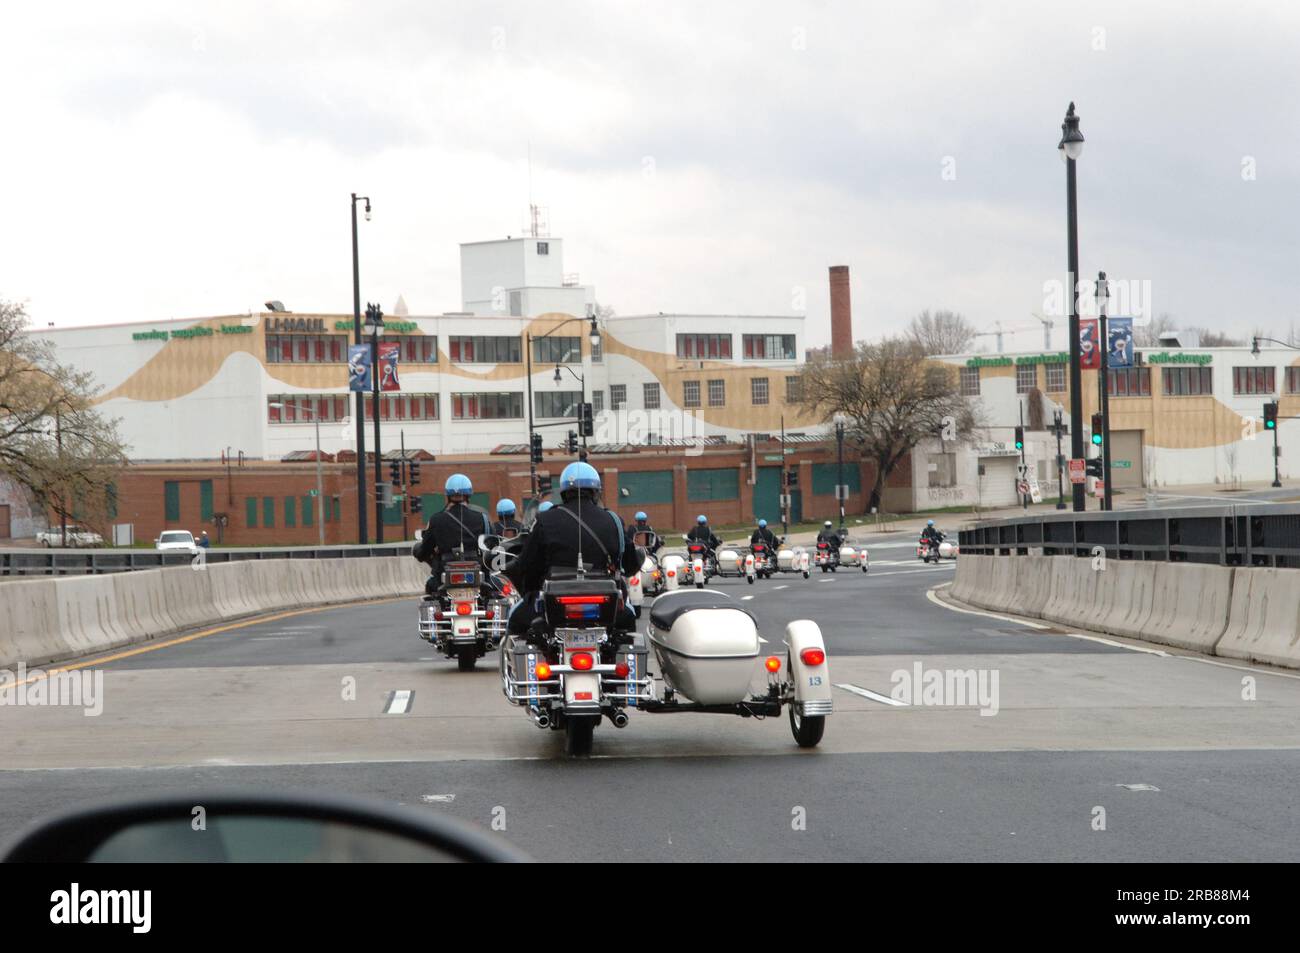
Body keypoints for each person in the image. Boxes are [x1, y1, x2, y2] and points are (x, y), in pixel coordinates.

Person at [506, 462, 640, 636]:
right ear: (595, 492)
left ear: (563, 492)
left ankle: (523, 663)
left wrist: (529, 589)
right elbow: (630, 565)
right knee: (627, 623)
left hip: (554, 601)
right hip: (605, 603)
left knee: (515, 622)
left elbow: (528, 564)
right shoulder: (613, 521)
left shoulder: (545, 520)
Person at [413, 473, 492, 597]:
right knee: (492, 592)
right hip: (477, 572)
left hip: (444, 572)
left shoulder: (436, 520)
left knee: (431, 590)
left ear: (448, 495)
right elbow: (491, 546)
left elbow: (425, 549)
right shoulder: (482, 519)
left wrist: (421, 553)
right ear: (469, 494)